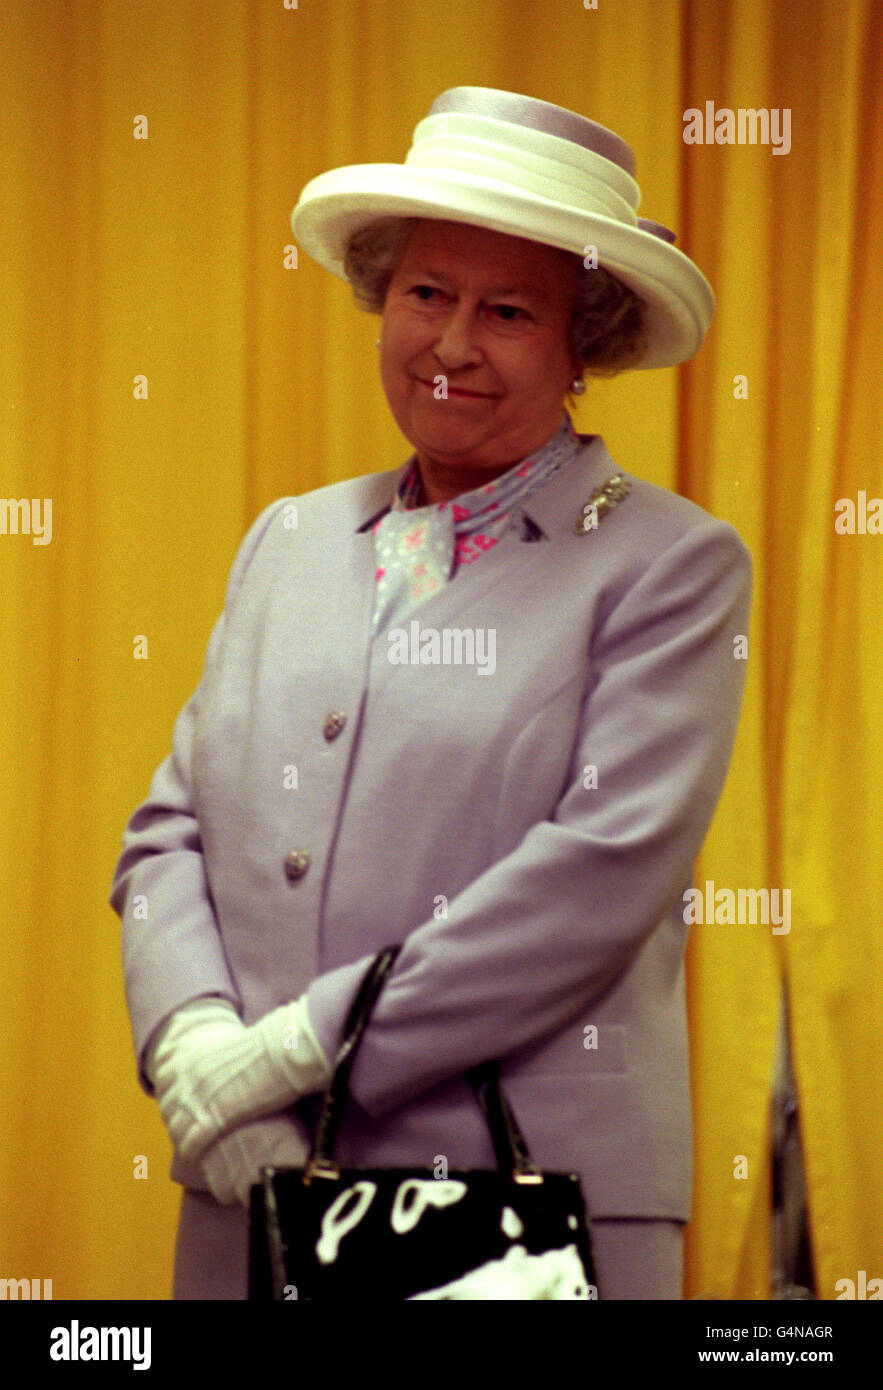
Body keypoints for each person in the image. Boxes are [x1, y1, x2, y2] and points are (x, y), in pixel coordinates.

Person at [109, 86, 751, 1300]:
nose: (452, 345)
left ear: (585, 342)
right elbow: (167, 835)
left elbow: (603, 867)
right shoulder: (288, 540)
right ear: (380, 302)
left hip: (513, 1222)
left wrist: (300, 1051)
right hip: (243, 1193)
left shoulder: (668, 563)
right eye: (426, 294)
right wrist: (199, 1053)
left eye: (508, 311)